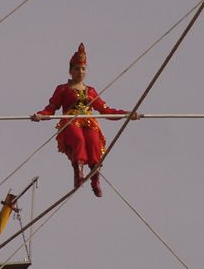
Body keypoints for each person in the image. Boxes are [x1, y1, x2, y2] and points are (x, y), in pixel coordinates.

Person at [31, 43, 140, 197]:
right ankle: (78, 173)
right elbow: (52, 107)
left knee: (94, 142)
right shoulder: (62, 89)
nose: (80, 72)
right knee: (79, 139)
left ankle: (95, 178)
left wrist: (127, 114)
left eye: (83, 69)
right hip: (70, 120)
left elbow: (105, 110)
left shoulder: (91, 91)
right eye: (77, 69)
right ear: (70, 71)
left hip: (89, 121)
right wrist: (41, 115)